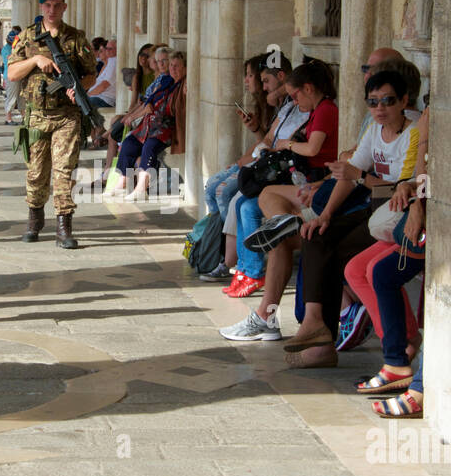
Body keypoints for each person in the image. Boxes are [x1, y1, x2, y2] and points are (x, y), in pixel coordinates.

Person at [219, 60, 339, 341]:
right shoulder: (318, 110)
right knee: (276, 235)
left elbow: (315, 149)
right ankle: (267, 317)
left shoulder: (325, 110)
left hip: (325, 192)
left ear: (309, 88)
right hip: (317, 186)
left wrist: (288, 145)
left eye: (296, 96)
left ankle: (285, 223)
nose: (294, 102)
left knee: (269, 210)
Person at [342, 71, 426, 389]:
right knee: (354, 268)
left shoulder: (418, 130)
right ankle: (399, 344)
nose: (380, 108)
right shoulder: (382, 130)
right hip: (398, 214)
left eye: (388, 101)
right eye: (373, 102)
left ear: (406, 101)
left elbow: (410, 177)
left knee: (379, 271)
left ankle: (396, 359)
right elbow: (356, 169)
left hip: (415, 220)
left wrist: (406, 189)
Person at [7, 0, 97, 249]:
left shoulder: (76, 38)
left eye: (57, 6)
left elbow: (91, 73)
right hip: (36, 116)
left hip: (67, 116)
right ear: (41, 7)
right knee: (36, 173)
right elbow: (11, 74)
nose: (52, 10)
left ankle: (63, 225)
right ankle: (35, 218)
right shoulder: (26, 37)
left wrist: (79, 88)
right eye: (48, 5)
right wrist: (35, 61)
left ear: (64, 7)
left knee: (63, 171)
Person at [200, 54, 300, 283]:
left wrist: (249, 158)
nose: (251, 83)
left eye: (254, 77)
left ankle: (241, 264)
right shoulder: (279, 107)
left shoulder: (292, 108)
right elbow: (268, 139)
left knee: (232, 197)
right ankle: (233, 258)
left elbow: (283, 145)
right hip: (261, 164)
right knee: (216, 189)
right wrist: (250, 155)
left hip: (276, 171)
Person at [113, 51, 186, 201]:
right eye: (171, 65)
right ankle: (122, 184)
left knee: (149, 147)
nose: (172, 68)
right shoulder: (166, 81)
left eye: (177, 66)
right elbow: (148, 103)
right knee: (129, 143)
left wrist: (132, 116)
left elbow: (153, 107)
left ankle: (141, 189)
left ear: (185, 68)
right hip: (148, 126)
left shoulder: (183, 84)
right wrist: (131, 116)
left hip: (165, 129)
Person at [2, 26, 22, 124]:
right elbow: (11, 61)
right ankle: (8, 118)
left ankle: (24, 117)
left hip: (19, 75)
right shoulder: (7, 49)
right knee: (11, 97)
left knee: (21, 97)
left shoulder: (15, 48)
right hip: (11, 76)